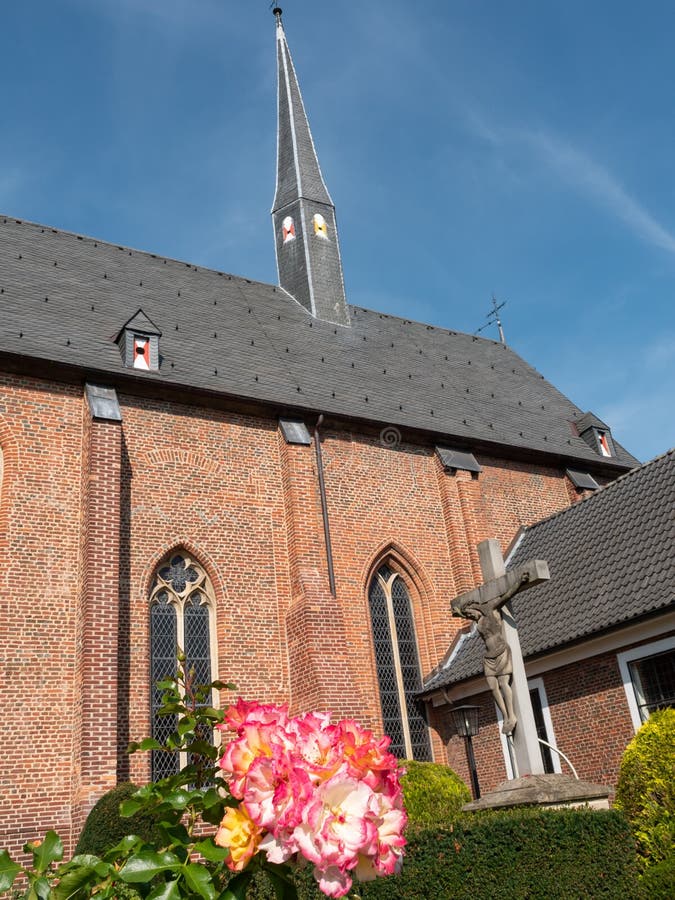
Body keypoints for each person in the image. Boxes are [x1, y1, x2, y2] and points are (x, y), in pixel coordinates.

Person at [452, 572, 530, 735]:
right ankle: (505, 715)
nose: (470, 616)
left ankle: (511, 715)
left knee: (503, 683)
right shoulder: (478, 620)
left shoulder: (492, 609)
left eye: (471, 613)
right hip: (489, 656)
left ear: (477, 609)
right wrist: (458, 611)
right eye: (468, 615)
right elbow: (461, 612)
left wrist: (520, 582)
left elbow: (507, 595)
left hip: (501, 650)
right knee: (493, 687)